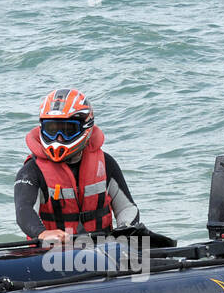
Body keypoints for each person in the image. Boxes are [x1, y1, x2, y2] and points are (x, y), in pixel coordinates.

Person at [14, 88, 140, 242]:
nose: (58, 139)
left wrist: (125, 229)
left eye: (67, 130)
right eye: (51, 130)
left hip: (102, 250)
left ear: (86, 127)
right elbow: (24, 211)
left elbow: (127, 208)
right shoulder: (31, 171)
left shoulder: (106, 164)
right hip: (51, 255)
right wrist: (42, 234)